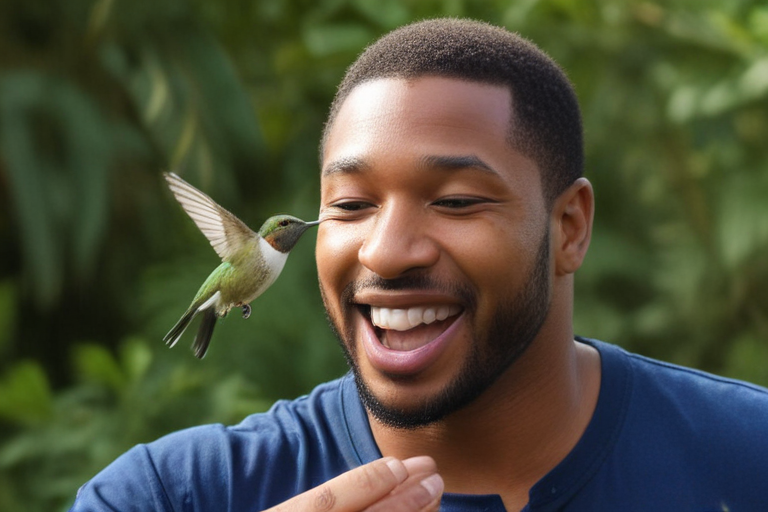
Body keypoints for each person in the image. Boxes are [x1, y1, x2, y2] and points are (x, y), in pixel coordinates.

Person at [70, 18, 768, 512]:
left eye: (457, 200)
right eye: (350, 205)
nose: (385, 250)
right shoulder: (169, 496)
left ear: (569, 228)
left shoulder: (747, 457)